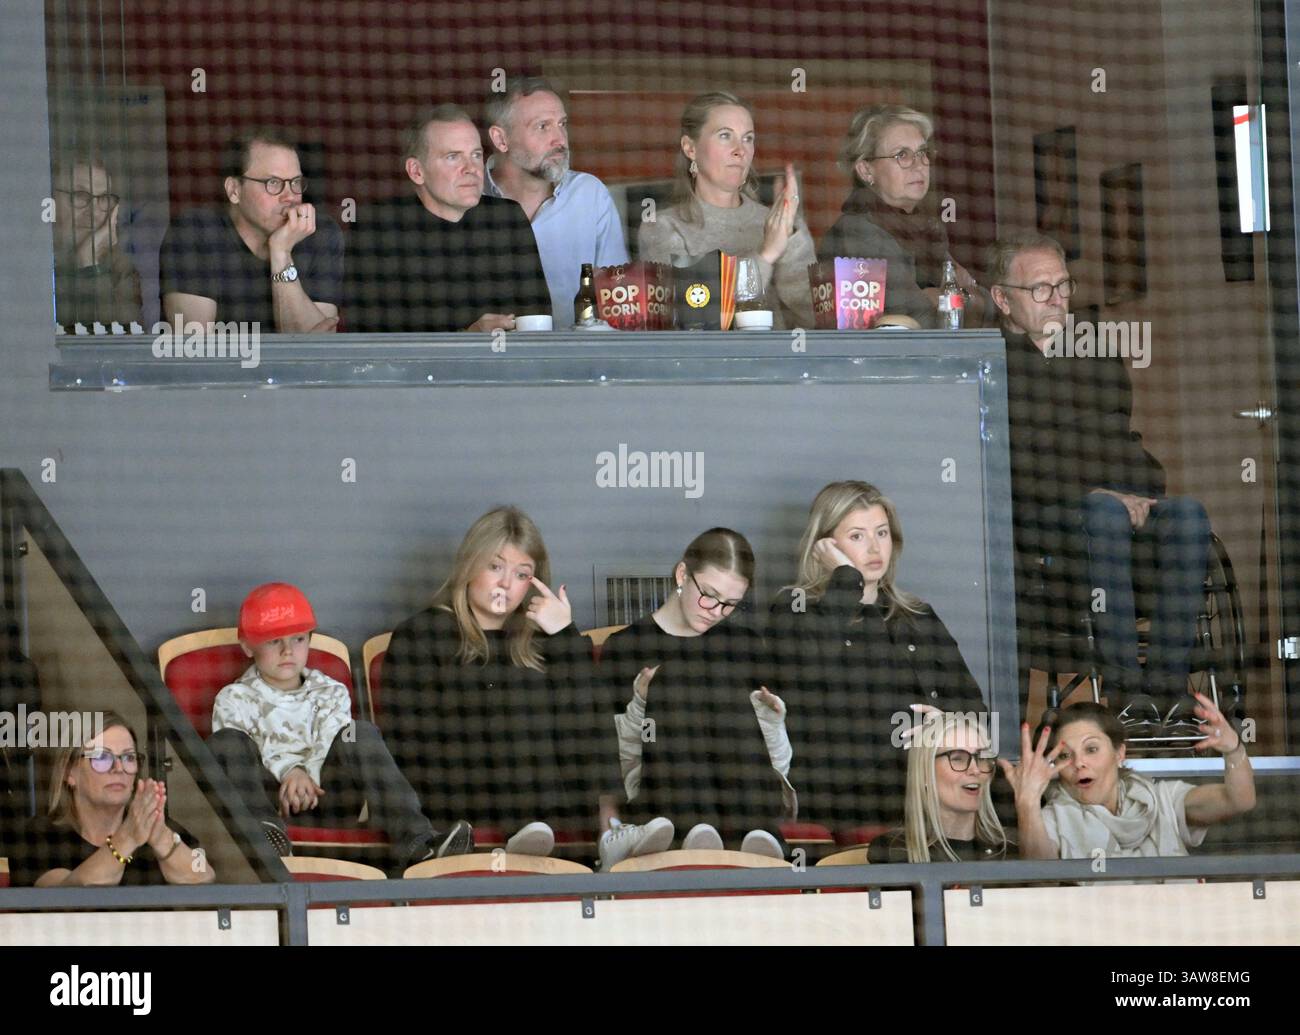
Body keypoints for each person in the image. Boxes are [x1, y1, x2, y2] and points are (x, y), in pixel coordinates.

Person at [989, 232, 1212, 735]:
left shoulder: (1094, 353)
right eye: (1040, 290)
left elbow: (1121, 438)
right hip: (1043, 524)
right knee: (1104, 513)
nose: (1057, 299)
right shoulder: (994, 363)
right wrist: (1099, 495)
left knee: (1187, 514)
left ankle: (1167, 689)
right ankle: (1124, 691)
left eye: (1063, 286)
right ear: (1003, 299)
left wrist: (1139, 493)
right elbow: (1017, 460)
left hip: (1113, 507)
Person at [382, 506, 611, 856]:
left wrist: (566, 635)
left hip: (546, 809)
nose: (506, 584)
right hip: (454, 803)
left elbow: (588, 721)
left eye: (522, 574)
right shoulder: (422, 635)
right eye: (495, 567)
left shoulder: (544, 640)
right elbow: (408, 744)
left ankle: (609, 828)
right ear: (469, 565)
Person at [767, 480, 985, 832]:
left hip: (926, 790)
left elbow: (977, 712)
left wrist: (947, 727)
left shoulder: (917, 616)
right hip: (846, 797)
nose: (874, 547)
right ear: (824, 546)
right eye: (856, 536)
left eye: (881, 533)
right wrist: (846, 579)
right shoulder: (794, 609)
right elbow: (806, 679)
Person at [210, 583, 472, 874]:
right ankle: (261, 839)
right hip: (270, 802)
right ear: (248, 645)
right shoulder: (234, 698)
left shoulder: (330, 689)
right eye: (274, 641)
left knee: (358, 732)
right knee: (227, 742)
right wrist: (289, 772)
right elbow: (241, 752)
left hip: (328, 795)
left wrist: (306, 773)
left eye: (298, 639)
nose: (288, 651)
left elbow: (328, 738)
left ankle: (420, 844)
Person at [599, 528, 793, 864]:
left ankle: (752, 833)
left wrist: (773, 721)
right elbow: (612, 758)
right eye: (709, 595)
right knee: (675, 675)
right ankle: (694, 828)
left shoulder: (745, 646)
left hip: (745, 806)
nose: (715, 611)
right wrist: (640, 703)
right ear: (682, 575)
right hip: (660, 804)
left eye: (731, 604)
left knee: (721, 672)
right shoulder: (627, 647)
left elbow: (778, 762)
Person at [345, 105, 551, 333]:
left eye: (476, 155)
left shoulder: (506, 219)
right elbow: (369, 340)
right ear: (416, 171)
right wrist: (465, 338)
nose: (471, 168)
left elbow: (537, 319)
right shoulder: (379, 229)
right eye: (453, 157)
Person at [636, 91, 816, 329]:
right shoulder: (662, 227)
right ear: (690, 148)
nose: (740, 150)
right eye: (725, 136)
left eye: (748, 139)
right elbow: (692, 317)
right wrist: (766, 256)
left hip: (776, 363)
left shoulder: (776, 221)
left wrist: (790, 236)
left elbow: (812, 318)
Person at [1001, 697, 1254, 860]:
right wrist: (1027, 803)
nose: (1079, 763)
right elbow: (1040, 879)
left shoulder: (1162, 800)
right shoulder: (1051, 819)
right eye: (1066, 755)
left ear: (1119, 752)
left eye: (1091, 749)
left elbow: (1239, 801)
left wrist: (1234, 749)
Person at [818, 104, 989, 328]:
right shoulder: (857, 232)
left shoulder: (924, 229)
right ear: (866, 170)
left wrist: (951, 297)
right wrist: (960, 297)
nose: (919, 165)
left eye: (922, 153)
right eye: (902, 155)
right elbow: (915, 322)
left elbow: (992, 305)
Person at [159, 128, 342, 331]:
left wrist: (281, 253)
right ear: (234, 191)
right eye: (273, 183)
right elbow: (196, 348)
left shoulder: (319, 233)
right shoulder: (194, 232)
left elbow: (319, 350)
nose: (290, 196)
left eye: (296, 182)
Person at [484, 77, 629, 328]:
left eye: (562, 124)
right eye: (543, 127)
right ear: (501, 139)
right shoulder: (467, 199)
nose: (560, 140)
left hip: (578, 362)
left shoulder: (590, 196)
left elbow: (620, 304)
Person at [7, 711, 215, 886]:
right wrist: (128, 838)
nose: (118, 769)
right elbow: (67, 897)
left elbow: (205, 875)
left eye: (129, 757)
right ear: (69, 773)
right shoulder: (38, 836)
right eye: (101, 757)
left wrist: (160, 836)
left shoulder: (167, 832)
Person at [868, 710, 1010, 863]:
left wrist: (1028, 804)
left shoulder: (1010, 849)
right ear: (925, 773)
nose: (975, 769)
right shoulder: (894, 852)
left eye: (982, 758)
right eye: (958, 758)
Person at [52, 156, 143, 329]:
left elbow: (118, 341)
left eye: (104, 199)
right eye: (80, 195)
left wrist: (89, 263)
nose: (94, 213)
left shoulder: (120, 269)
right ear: (51, 201)